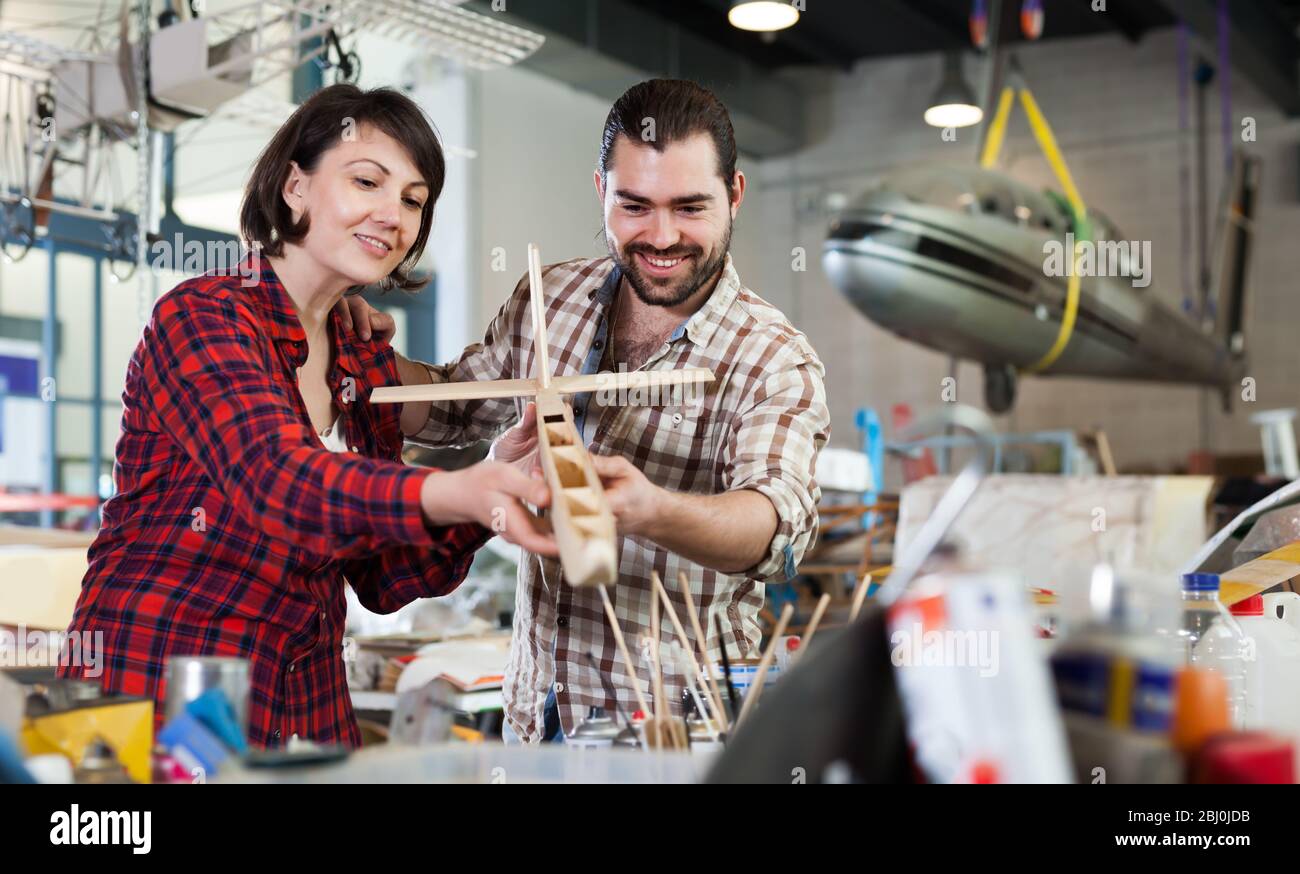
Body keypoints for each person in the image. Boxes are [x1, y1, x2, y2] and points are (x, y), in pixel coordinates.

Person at [59, 84, 556, 749]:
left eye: (413, 200)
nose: (394, 214)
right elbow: (279, 481)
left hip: (305, 703)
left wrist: (493, 488)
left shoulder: (359, 357)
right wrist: (458, 486)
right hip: (161, 692)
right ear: (295, 185)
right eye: (367, 181)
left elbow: (383, 577)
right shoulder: (204, 317)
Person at [343, 79, 830, 743]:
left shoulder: (773, 358)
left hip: (670, 736)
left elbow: (777, 534)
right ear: (601, 190)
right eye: (635, 205)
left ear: (734, 195)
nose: (661, 236)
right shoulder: (551, 297)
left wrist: (655, 510)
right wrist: (346, 340)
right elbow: (453, 407)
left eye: (690, 208)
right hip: (533, 719)